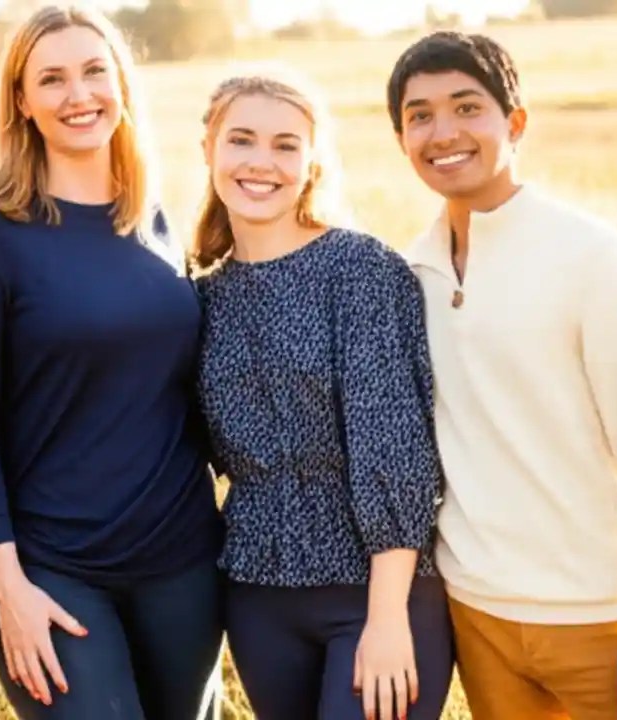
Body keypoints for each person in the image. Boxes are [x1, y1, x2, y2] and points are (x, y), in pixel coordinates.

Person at [386, 30, 617, 720]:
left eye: (468, 108)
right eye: (420, 115)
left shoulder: (595, 257)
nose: (444, 132)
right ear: (402, 139)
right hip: (476, 616)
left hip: (596, 621)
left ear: (514, 122)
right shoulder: (409, 274)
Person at [0, 5, 224, 719]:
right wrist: (7, 589)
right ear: (23, 104)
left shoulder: (154, 220)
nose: (79, 94)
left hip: (182, 563)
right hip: (54, 568)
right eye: (53, 79)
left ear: (122, 86)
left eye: (96, 71)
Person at [191, 71, 453, 720]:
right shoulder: (203, 295)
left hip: (376, 595)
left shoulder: (358, 270)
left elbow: (393, 450)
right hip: (257, 599)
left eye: (285, 145)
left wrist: (387, 617)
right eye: (242, 140)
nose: (261, 163)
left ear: (311, 163)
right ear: (209, 150)